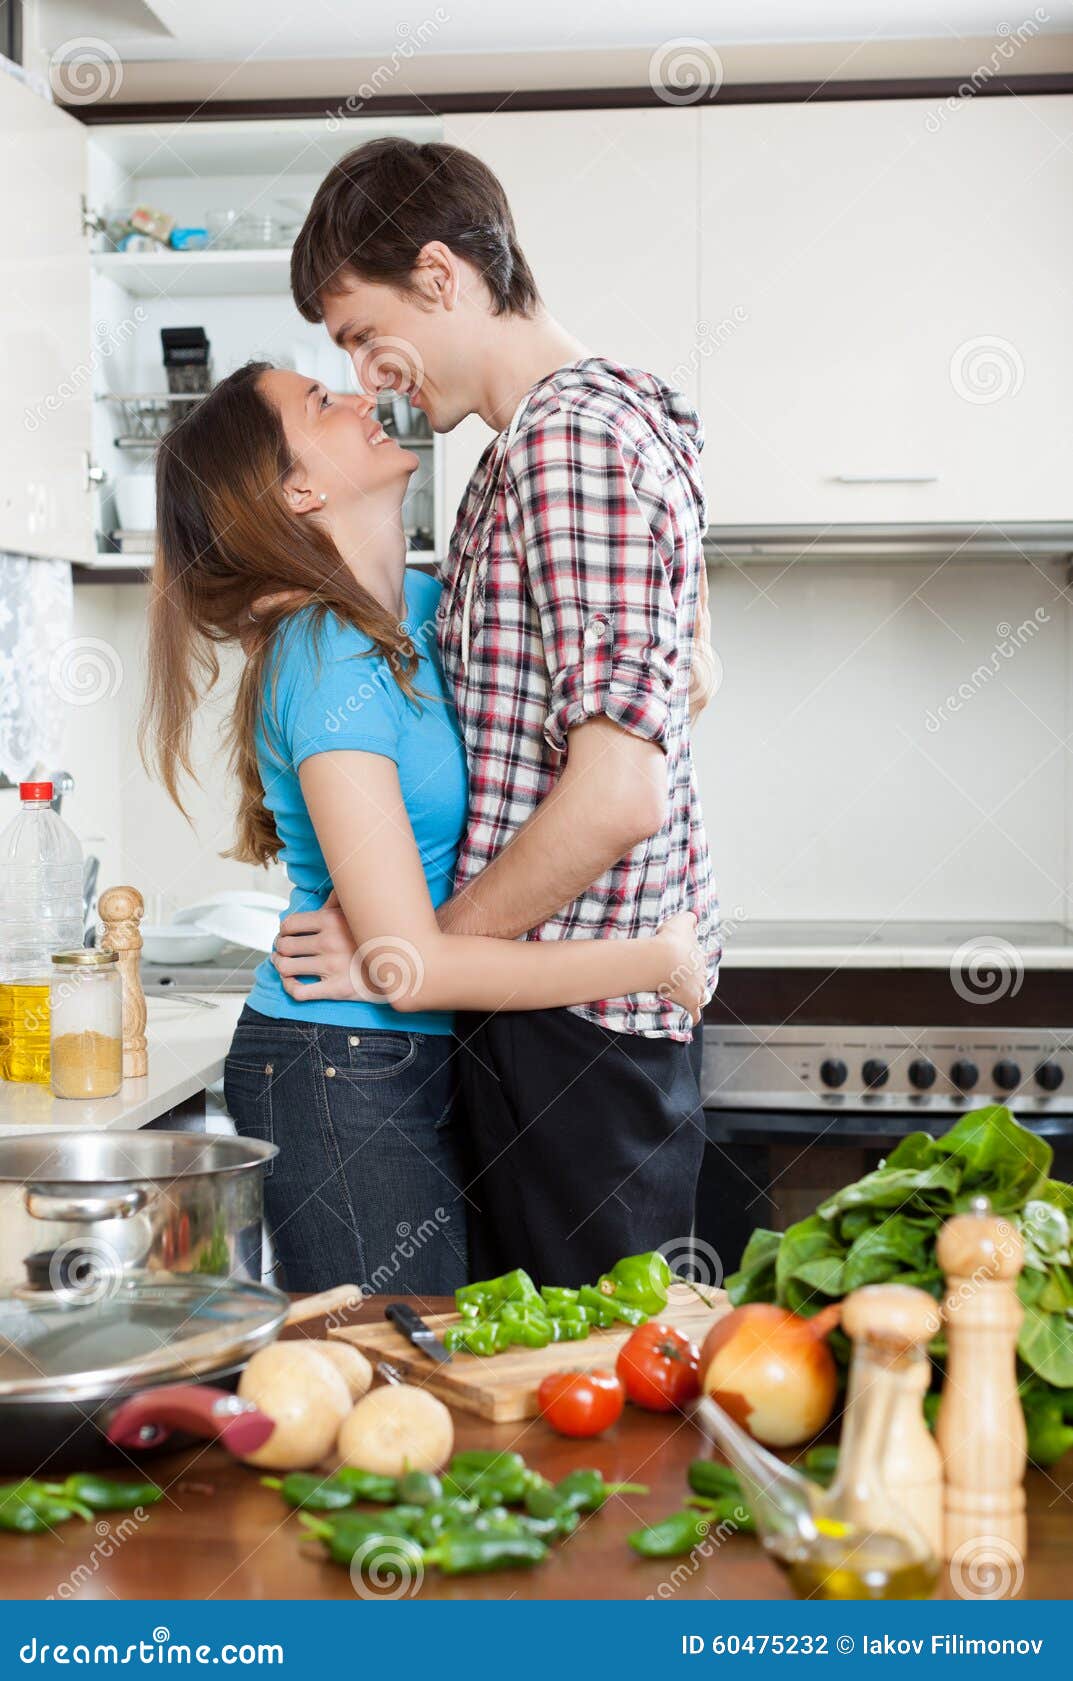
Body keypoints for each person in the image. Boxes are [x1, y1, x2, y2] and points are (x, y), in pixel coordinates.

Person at [140, 360, 705, 1295]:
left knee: (461, 1372)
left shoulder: (423, 607)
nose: (364, 395)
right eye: (323, 402)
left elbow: (614, 709)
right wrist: (654, 960)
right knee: (405, 1389)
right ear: (298, 489)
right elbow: (415, 970)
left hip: (434, 1049)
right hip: (340, 1067)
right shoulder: (324, 656)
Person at [276, 137, 720, 1285]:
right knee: (563, 1394)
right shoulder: (599, 421)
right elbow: (690, 673)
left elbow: (619, 792)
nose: (374, 375)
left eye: (364, 336)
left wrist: (420, 950)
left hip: (568, 1020)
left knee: (597, 1415)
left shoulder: (565, 444)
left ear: (439, 277)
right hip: (570, 1010)